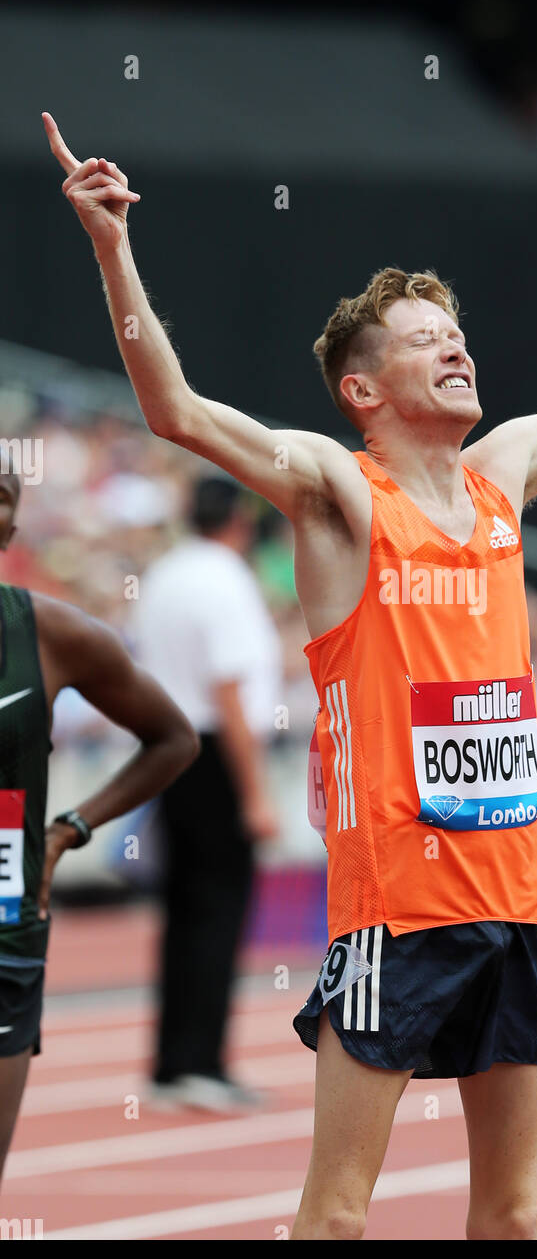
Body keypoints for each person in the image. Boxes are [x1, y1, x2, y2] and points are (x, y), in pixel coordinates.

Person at [42, 60, 537, 1239]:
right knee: (339, 1216)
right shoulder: (334, 494)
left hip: (526, 900)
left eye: (456, 334)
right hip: (396, 912)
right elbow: (179, 413)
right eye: (424, 341)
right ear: (362, 388)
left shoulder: (504, 468)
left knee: (512, 1217)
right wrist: (111, 246)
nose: (456, 349)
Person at [0, 468, 199, 1186]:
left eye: (2, 494)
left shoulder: (52, 634)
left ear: (13, 528)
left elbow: (175, 738)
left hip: (6, 938)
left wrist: (69, 829)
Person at [134, 475, 283, 1110]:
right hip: (217, 754)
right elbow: (228, 691)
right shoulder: (226, 579)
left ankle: (171, 1063)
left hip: (169, 750)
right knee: (218, 911)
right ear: (241, 521)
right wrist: (255, 795)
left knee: (182, 912)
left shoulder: (165, 573)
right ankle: (202, 1062)